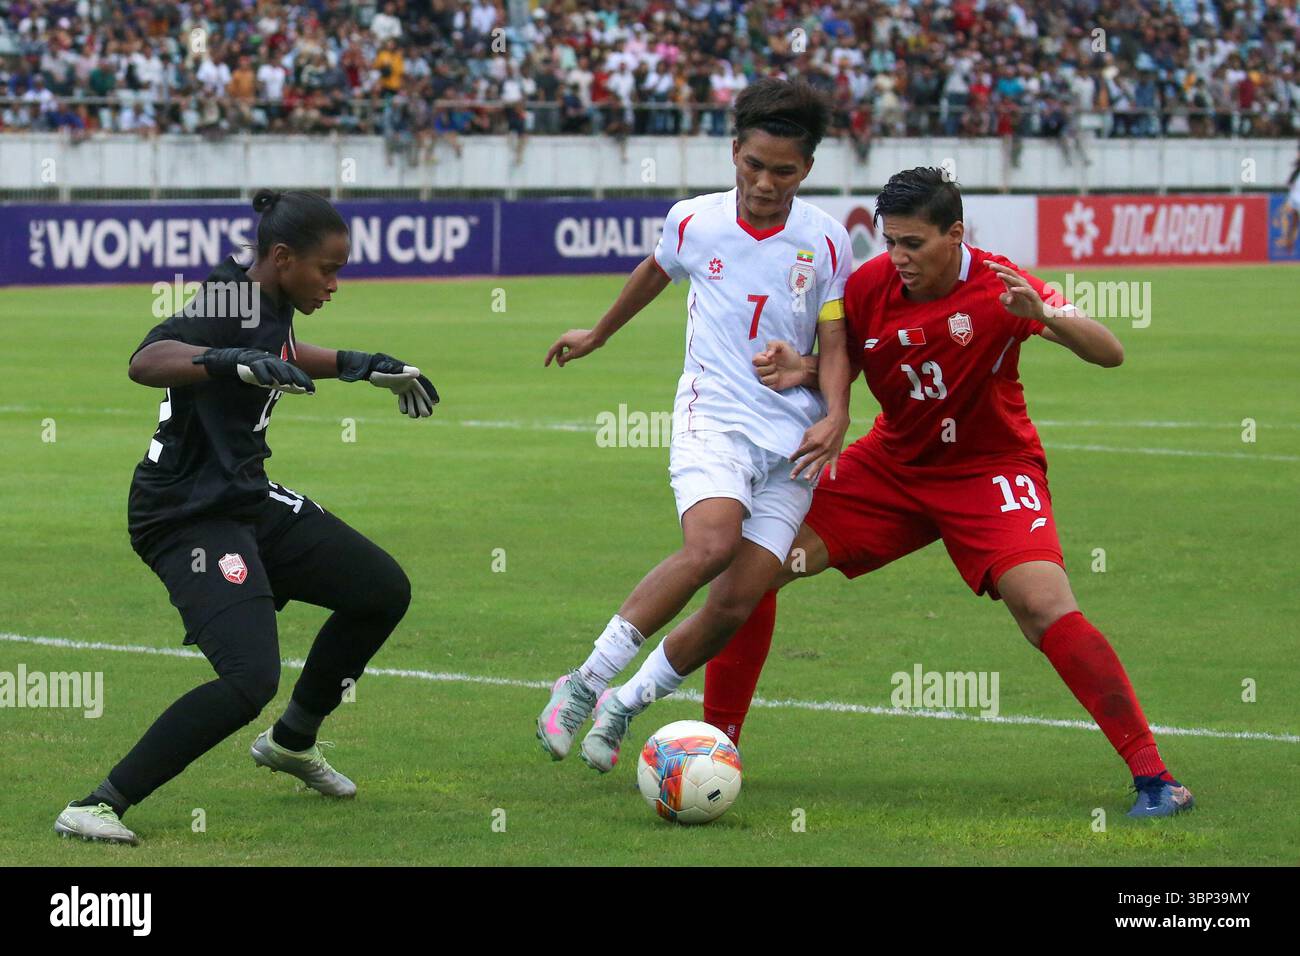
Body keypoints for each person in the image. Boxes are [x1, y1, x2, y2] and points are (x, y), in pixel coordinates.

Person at [699, 167, 1194, 818]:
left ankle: (1155, 779)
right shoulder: (870, 283)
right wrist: (806, 370)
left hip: (989, 470)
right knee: (752, 568)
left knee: (1043, 607)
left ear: (955, 234)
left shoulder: (1003, 286)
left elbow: (1110, 352)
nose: (898, 257)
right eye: (891, 241)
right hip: (892, 464)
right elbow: (855, 359)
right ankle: (713, 752)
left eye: (914, 243)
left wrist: (1047, 316)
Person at [53, 189, 439, 845]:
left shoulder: (271, 294)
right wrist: (227, 361)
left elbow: (278, 349)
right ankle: (98, 804)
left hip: (243, 498)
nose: (336, 283)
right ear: (283, 257)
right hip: (185, 512)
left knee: (380, 590)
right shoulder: (228, 299)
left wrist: (358, 365)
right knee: (249, 678)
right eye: (329, 268)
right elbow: (146, 360)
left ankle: (292, 741)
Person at [537, 78, 854, 772]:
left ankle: (625, 705)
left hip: (792, 446)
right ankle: (583, 683)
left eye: (784, 170)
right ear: (734, 151)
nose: (766, 183)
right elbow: (656, 270)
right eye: (754, 165)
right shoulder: (694, 220)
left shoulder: (828, 243)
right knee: (710, 546)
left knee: (738, 600)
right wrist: (599, 333)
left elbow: (837, 345)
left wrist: (837, 414)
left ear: (808, 169)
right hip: (712, 415)